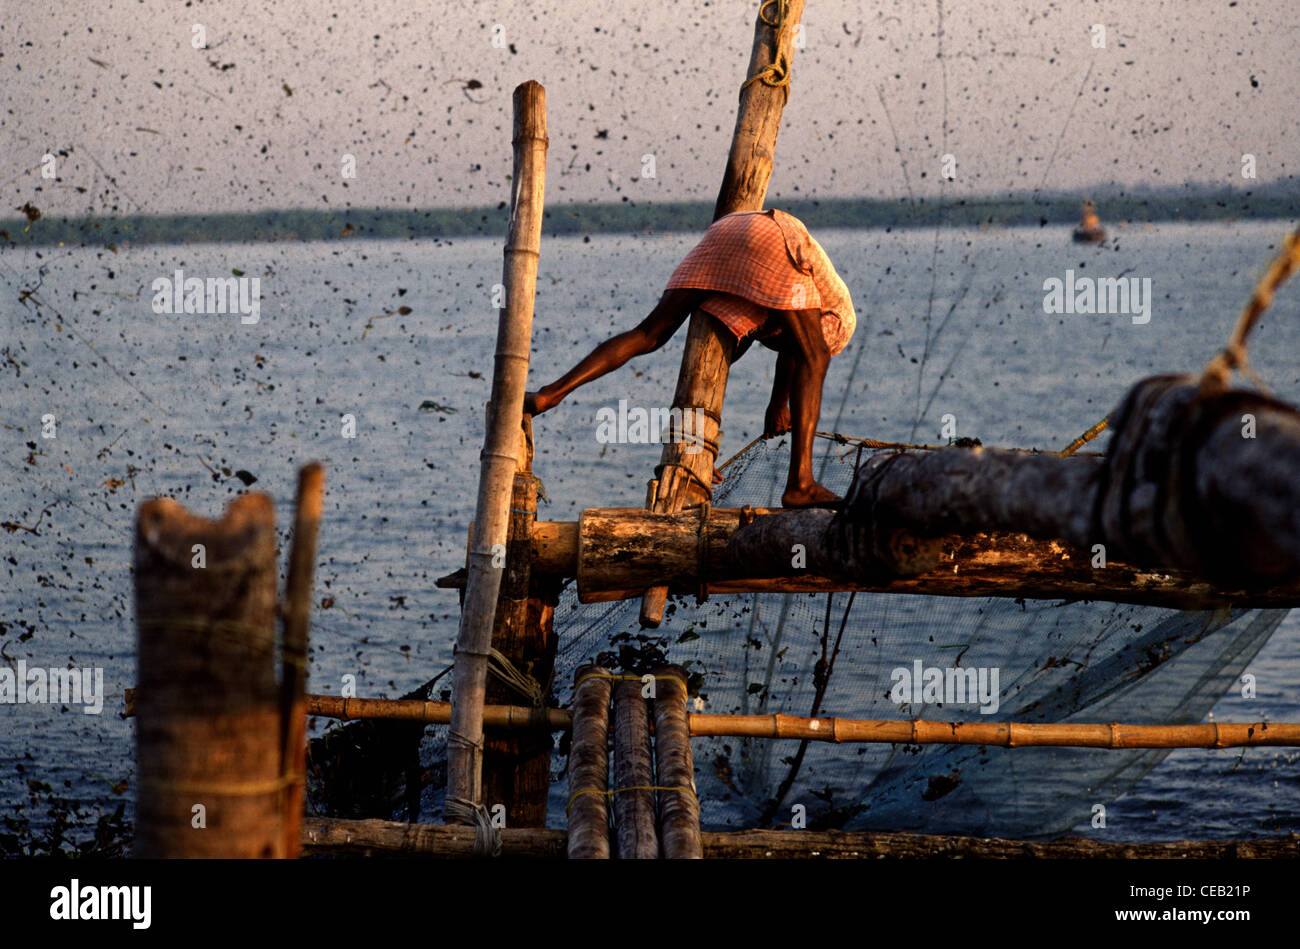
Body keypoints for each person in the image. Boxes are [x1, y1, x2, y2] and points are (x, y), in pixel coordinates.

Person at [525, 208, 856, 508]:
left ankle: (549, 394)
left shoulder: (765, 304)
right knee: (816, 358)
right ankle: (801, 482)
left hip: (727, 230)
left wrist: (696, 447)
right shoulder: (838, 318)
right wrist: (779, 403)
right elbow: (809, 357)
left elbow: (708, 374)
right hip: (775, 237)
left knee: (649, 334)